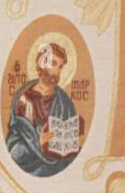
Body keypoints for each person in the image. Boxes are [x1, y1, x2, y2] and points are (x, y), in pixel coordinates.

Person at [5, 43, 85, 177]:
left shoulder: (64, 101)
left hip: (58, 169)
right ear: (41, 63)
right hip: (28, 164)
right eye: (53, 64)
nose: (57, 71)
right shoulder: (25, 98)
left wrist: (75, 145)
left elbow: (68, 144)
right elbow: (14, 145)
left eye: (60, 67)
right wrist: (39, 145)